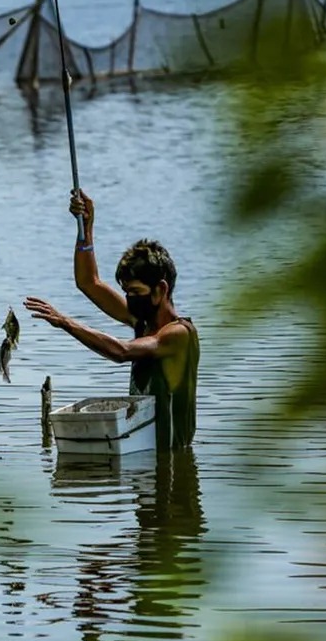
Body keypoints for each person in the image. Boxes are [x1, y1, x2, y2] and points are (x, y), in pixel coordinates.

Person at [24, 190, 200, 450]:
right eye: (126, 292)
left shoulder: (179, 335)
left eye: (136, 292)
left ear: (160, 290)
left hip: (171, 458)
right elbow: (88, 282)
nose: (129, 299)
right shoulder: (142, 321)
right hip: (142, 449)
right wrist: (86, 229)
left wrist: (66, 322)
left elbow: (121, 351)